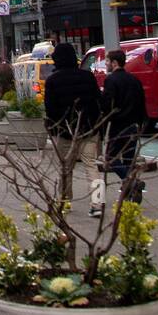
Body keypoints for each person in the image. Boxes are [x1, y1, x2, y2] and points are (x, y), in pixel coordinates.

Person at [44, 42, 104, 214]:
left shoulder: (53, 81)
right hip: (88, 128)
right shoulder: (88, 77)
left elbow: (51, 110)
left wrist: (54, 128)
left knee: (65, 168)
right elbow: (97, 102)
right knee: (91, 166)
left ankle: (64, 202)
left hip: (64, 131)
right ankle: (97, 203)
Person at [101, 49, 147, 203]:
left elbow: (108, 104)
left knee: (110, 158)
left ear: (114, 63)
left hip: (118, 125)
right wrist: (141, 123)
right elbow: (141, 102)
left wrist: (105, 120)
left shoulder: (111, 81)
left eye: (107, 61)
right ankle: (129, 194)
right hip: (133, 124)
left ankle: (132, 183)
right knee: (128, 159)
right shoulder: (134, 80)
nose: (106, 64)